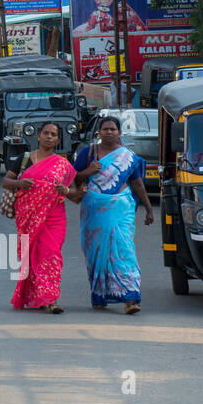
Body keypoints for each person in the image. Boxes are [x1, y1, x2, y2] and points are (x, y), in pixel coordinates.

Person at [73, 115, 155, 313]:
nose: (109, 132)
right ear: (99, 132)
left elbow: (137, 183)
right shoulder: (88, 152)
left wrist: (149, 208)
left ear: (119, 133)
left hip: (121, 207)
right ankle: (100, 294)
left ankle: (131, 298)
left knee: (124, 250)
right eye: (105, 129)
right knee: (96, 252)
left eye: (113, 129)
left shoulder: (127, 156)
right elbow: (73, 177)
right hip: (94, 210)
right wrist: (88, 171)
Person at [1, 122, 81, 314]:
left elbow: (76, 192)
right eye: (46, 133)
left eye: (53, 134)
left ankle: (51, 299)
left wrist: (66, 190)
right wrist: (20, 182)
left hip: (54, 218)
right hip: (28, 216)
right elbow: (6, 181)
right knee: (32, 256)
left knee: (51, 254)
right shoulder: (25, 158)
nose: (49, 137)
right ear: (38, 136)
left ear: (58, 139)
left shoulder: (62, 164)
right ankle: (40, 296)